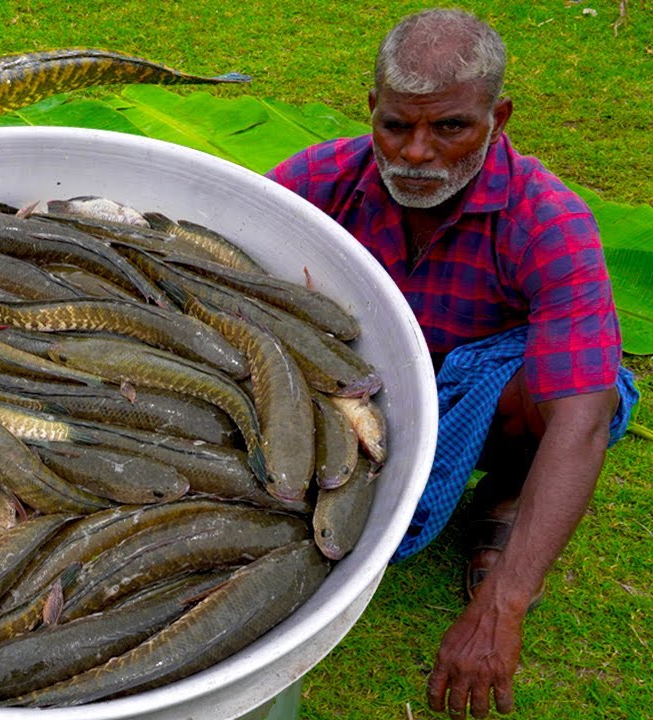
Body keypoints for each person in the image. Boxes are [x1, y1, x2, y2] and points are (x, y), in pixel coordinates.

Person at [267, 9, 638, 720]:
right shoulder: (318, 179)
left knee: (563, 392)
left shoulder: (549, 222)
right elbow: (224, 269)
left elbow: (582, 419)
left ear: (498, 118)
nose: (416, 153)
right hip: (358, 393)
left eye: (451, 128)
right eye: (395, 126)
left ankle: (508, 493)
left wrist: (504, 606)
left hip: (486, 405)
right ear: (372, 109)